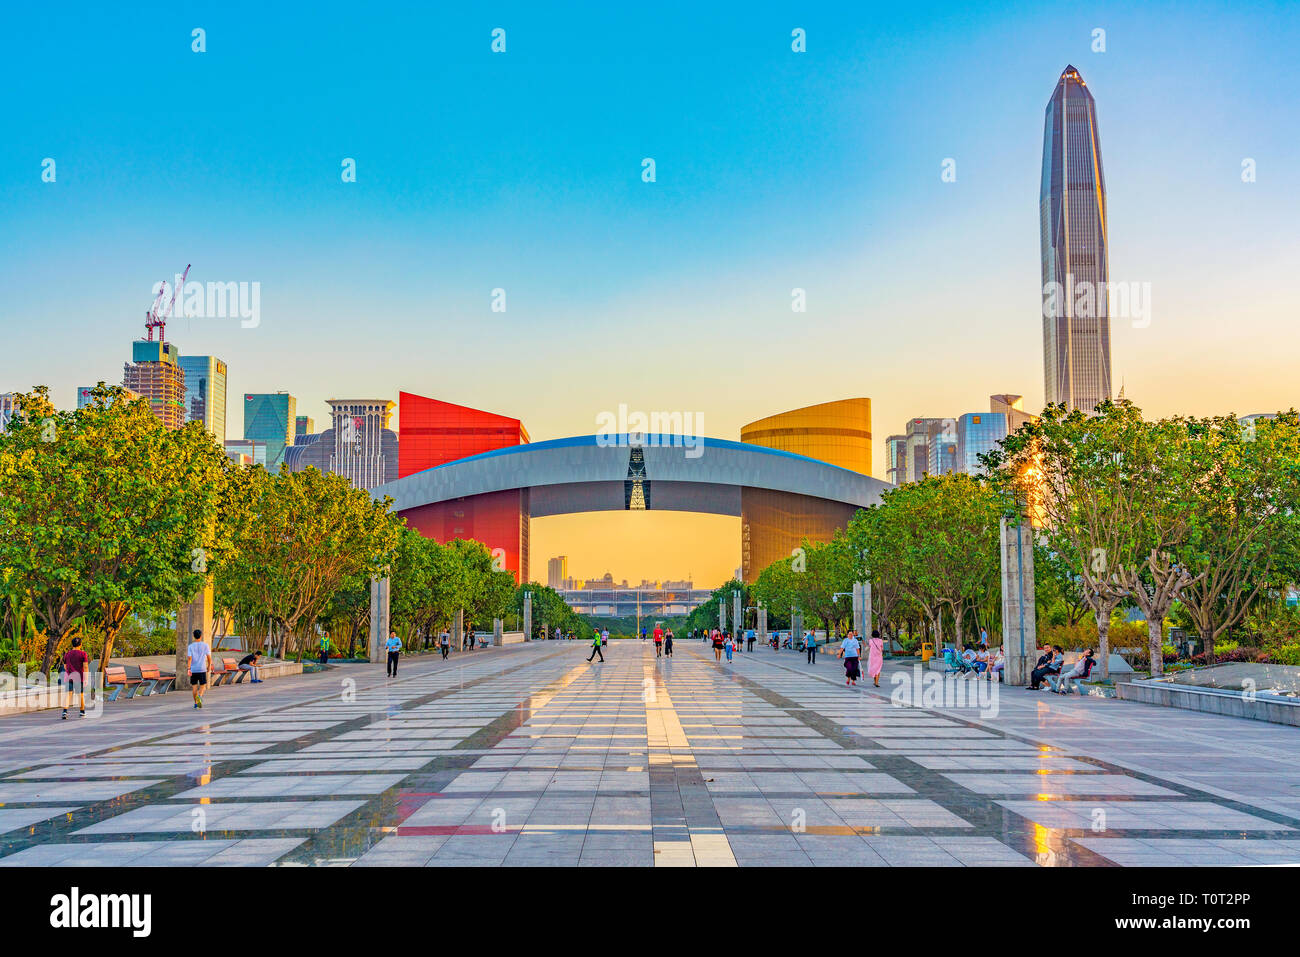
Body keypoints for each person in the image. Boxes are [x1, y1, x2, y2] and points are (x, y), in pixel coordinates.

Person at [60, 636, 89, 719]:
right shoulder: (83, 654)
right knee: (80, 695)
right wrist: (86, 678)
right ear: (80, 644)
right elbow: (86, 667)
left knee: (68, 694)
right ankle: (82, 712)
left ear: (72, 644)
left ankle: (64, 712)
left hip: (69, 677)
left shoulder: (67, 654)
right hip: (79, 677)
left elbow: (65, 667)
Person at [187, 628, 212, 709]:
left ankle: (196, 703)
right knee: (202, 685)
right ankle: (200, 696)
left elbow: (189, 658)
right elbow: (209, 657)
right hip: (202, 668)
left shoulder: (190, 646)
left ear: (194, 636)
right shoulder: (205, 645)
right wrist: (209, 666)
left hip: (193, 669)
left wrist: (188, 668)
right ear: (201, 636)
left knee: (194, 687)